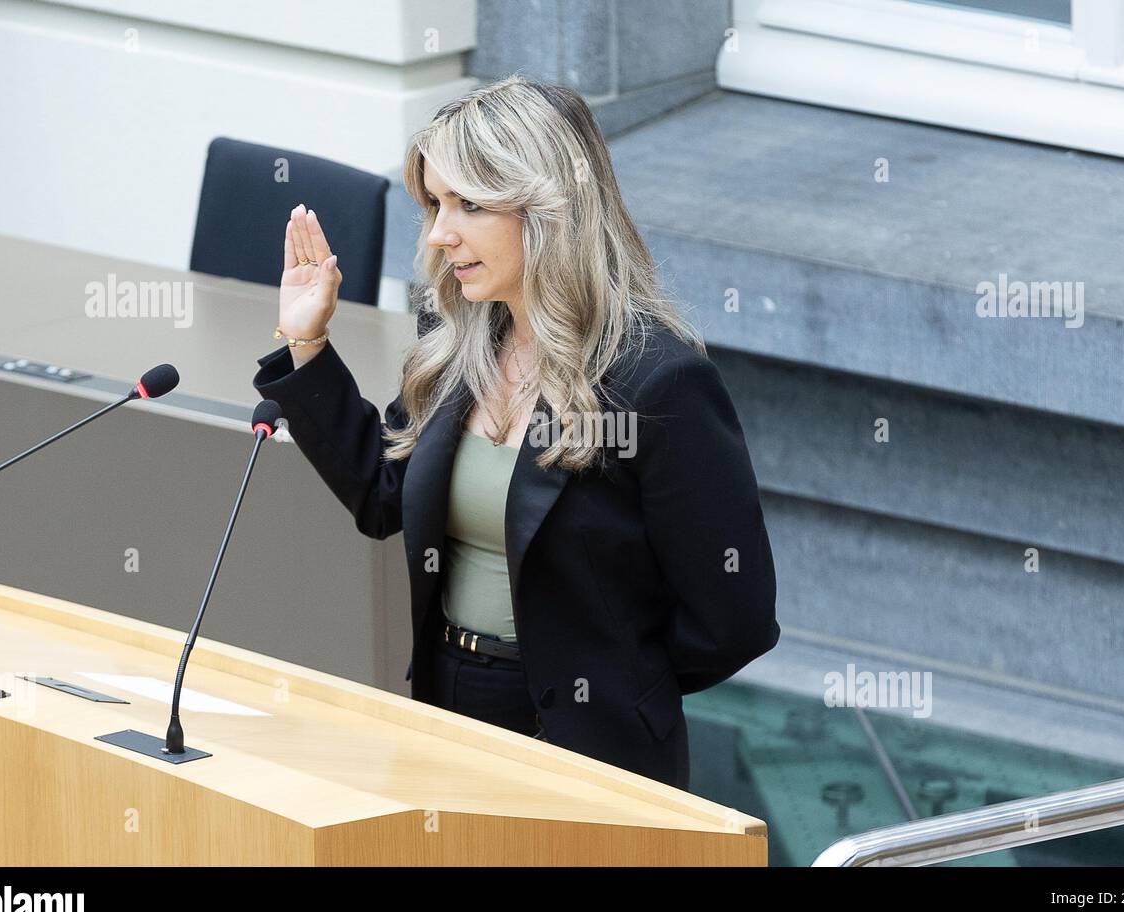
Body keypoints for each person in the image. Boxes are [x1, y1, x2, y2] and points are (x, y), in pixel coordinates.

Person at [254, 73, 779, 790]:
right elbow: (383, 497)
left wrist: (610, 682)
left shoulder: (659, 381)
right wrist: (307, 346)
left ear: (548, 208)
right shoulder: (456, 340)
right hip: (451, 712)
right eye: (436, 203)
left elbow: (734, 619)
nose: (441, 233)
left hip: (589, 746)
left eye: (469, 203)